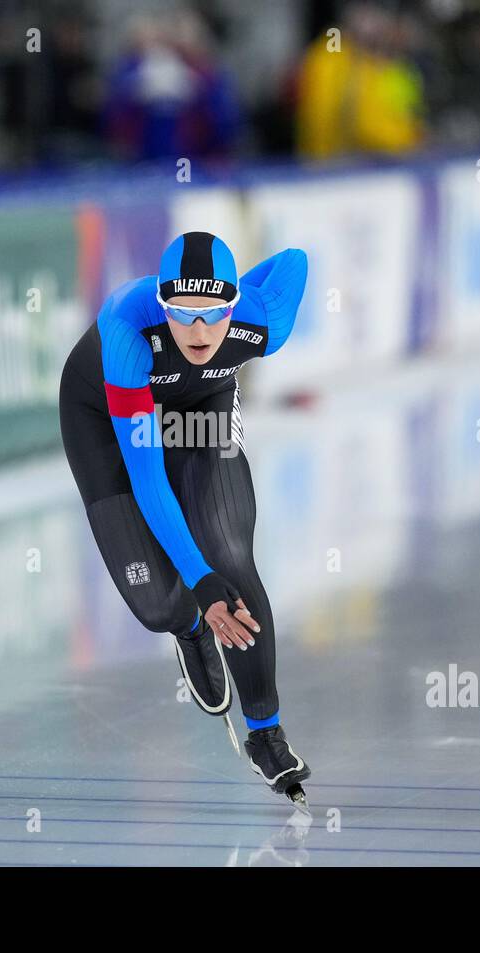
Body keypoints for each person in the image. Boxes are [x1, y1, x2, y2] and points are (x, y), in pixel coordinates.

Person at [59, 231, 311, 807]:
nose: (199, 333)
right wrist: (197, 584)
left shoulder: (260, 320)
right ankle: (189, 629)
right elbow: (147, 479)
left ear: (231, 306)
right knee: (159, 603)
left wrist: (212, 572)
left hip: (203, 410)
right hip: (105, 414)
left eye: (213, 315)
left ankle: (267, 734)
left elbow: (294, 260)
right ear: (163, 304)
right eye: (182, 314)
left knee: (229, 554)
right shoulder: (128, 331)